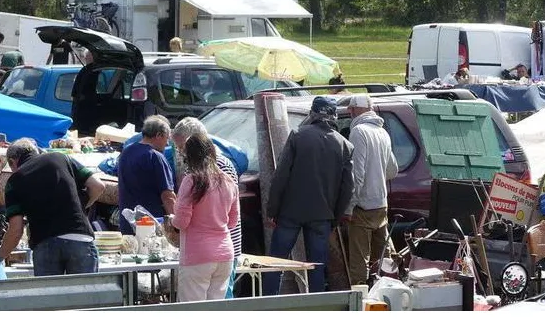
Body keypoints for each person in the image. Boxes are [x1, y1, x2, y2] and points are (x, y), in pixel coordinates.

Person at [264, 96, 353, 295]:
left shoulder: (297, 135)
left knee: (275, 262)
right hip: (322, 215)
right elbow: (348, 188)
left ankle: (269, 303)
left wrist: (272, 210)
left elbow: (280, 176)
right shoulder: (345, 145)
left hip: (290, 212)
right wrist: (334, 218)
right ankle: (316, 305)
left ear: (312, 113)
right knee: (317, 267)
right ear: (334, 116)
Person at [0, 139, 105, 276]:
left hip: (45, 243)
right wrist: (81, 207)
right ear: (36, 152)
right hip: (80, 238)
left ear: (12, 161)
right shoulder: (61, 158)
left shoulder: (14, 181)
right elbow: (98, 186)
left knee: (49, 291)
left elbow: (16, 230)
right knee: (84, 290)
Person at [168, 118, 243, 299]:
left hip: (198, 254)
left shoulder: (191, 180)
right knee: (216, 308)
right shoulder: (228, 180)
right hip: (225, 252)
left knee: (192, 309)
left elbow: (182, 222)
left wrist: (171, 220)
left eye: (182, 150)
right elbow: (233, 220)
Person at [344, 94, 398, 286]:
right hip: (381, 204)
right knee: (382, 257)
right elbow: (392, 170)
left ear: (355, 110)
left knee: (359, 260)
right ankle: (387, 291)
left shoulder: (358, 131)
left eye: (351, 108)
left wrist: (349, 207)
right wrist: (377, 177)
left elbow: (357, 174)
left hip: (363, 205)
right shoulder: (382, 132)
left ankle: (359, 296)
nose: (350, 112)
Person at [117, 116, 175, 235]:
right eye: (167, 138)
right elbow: (168, 196)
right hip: (149, 225)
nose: (167, 143)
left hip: (127, 223)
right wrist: (177, 225)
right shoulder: (156, 157)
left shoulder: (126, 152)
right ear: (158, 135)